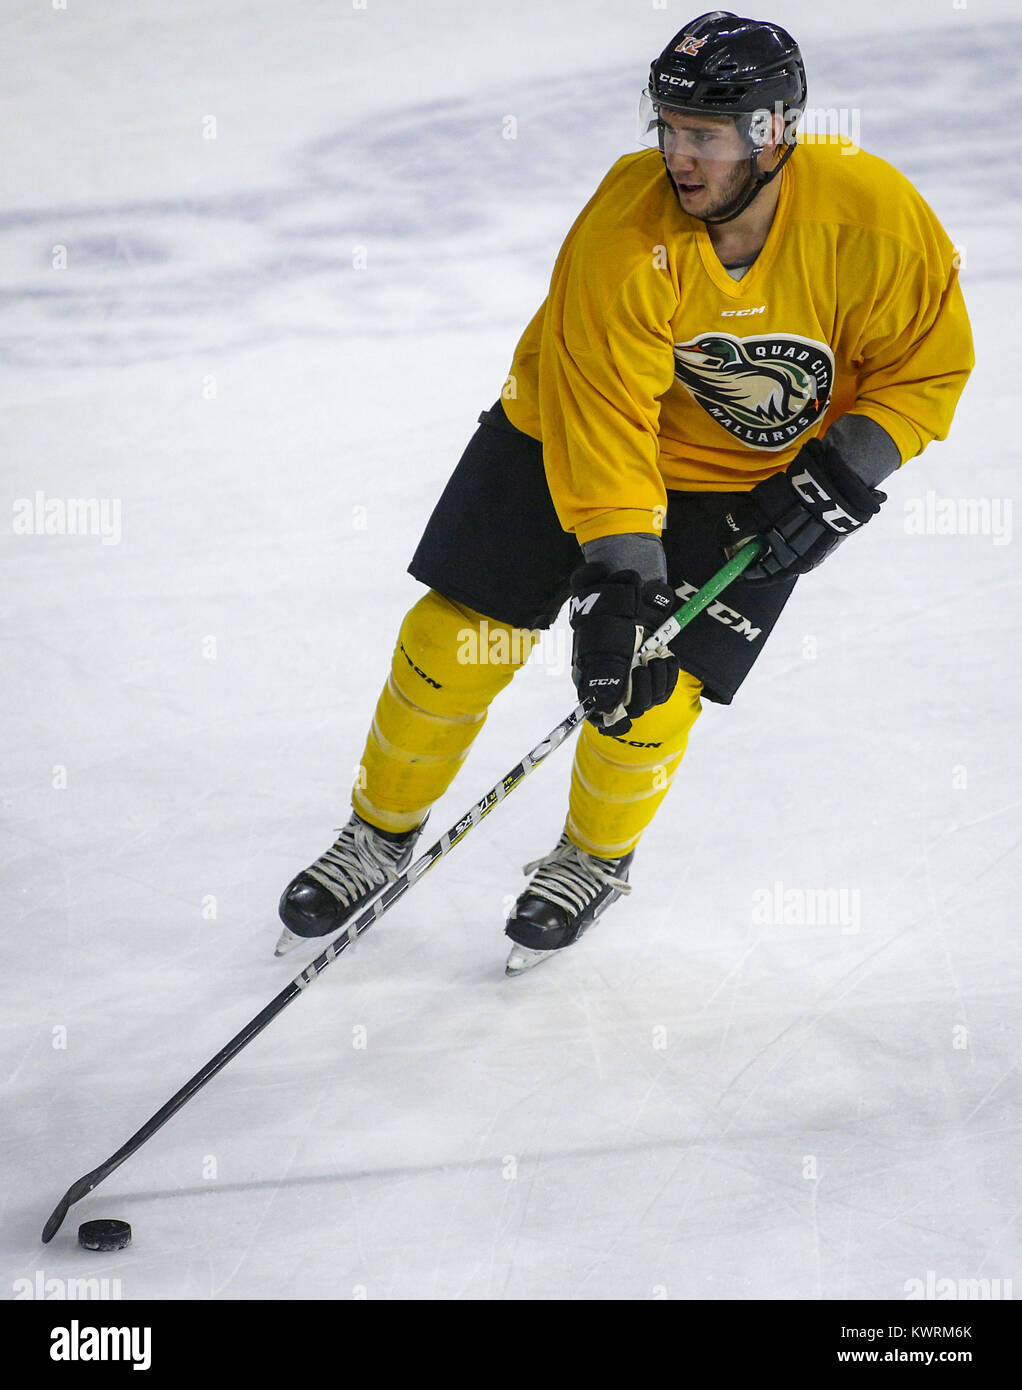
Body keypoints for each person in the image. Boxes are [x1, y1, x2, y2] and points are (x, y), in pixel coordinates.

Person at [275, 11, 973, 973]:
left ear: (774, 131)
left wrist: (850, 467)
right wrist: (619, 571)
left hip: (742, 479)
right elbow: (604, 417)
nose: (679, 156)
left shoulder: (872, 217)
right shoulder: (626, 229)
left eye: (705, 134)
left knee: (651, 692)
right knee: (454, 638)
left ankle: (592, 861)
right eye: (669, 127)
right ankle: (378, 833)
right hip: (564, 425)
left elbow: (927, 369)